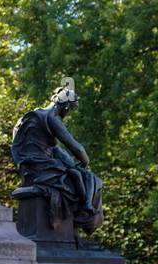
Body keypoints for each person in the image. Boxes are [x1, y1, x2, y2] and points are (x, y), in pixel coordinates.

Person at [11, 83, 103, 235]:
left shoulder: (30, 116)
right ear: (65, 106)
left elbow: (51, 148)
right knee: (90, 179)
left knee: (78, 174)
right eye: (71, 109)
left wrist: (69, 162)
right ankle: (83, 219)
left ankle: (81, 217)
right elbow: (76, 147)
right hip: (42, 167)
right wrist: (85, 160)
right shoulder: (51, 118)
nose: (69, 113)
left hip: (27, 167)